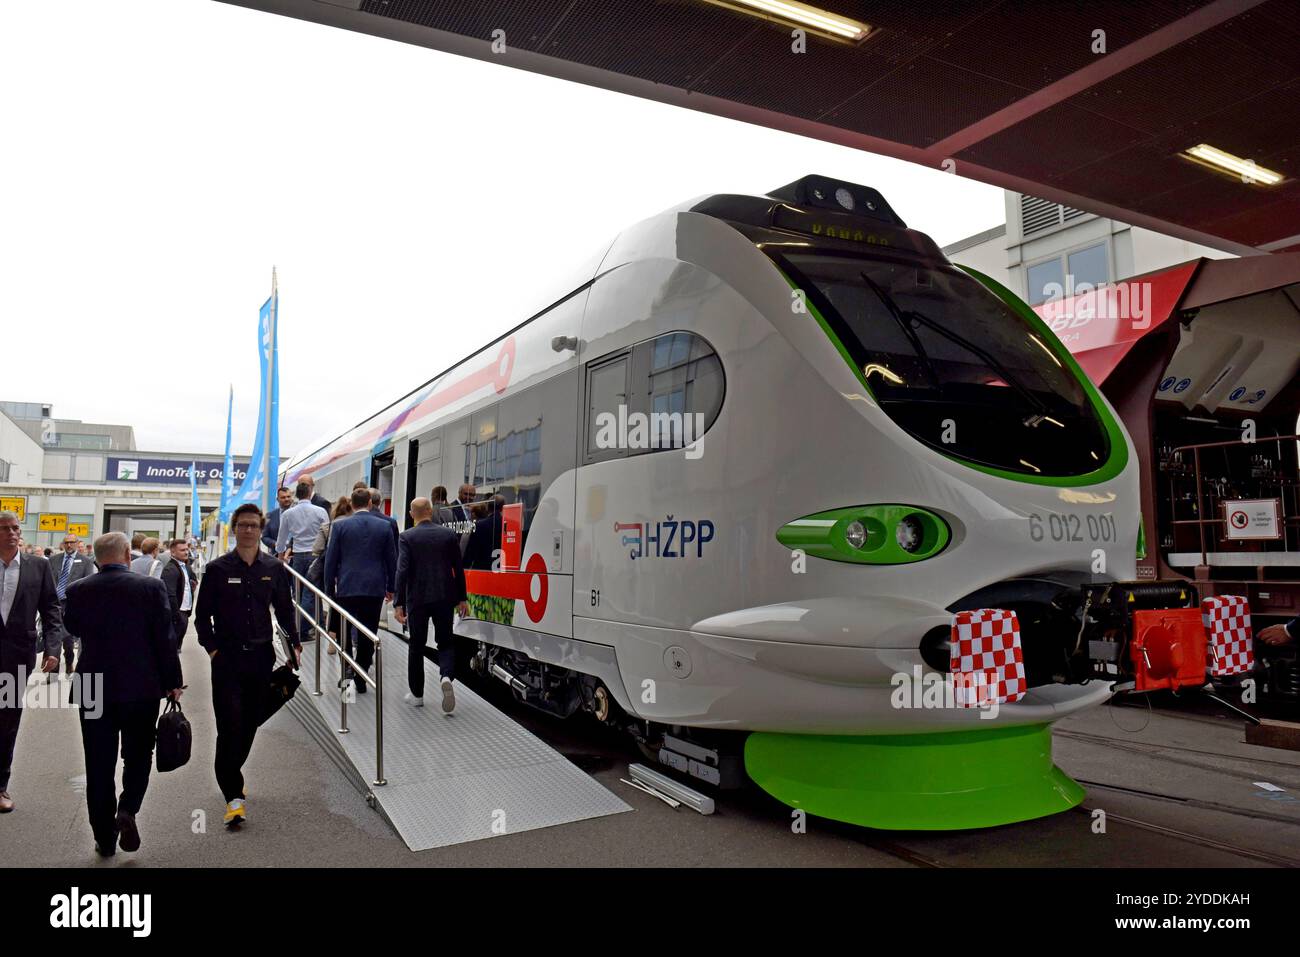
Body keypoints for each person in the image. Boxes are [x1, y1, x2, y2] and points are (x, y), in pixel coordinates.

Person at [64, 532, 182, 857]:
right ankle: (128, 809)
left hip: (92, 686)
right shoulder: (150, 587)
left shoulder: (77, 590)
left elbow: (72, 627)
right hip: (140, 685)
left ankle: (104, 837)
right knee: (138, 754)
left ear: (96, 559)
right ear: (128, 555)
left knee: (98, 763)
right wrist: (173, 680)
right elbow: (165, 638)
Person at [193, 503, 300, 828]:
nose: (249, 530)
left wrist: (294, 644)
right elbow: (201, 619)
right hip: (226, 660)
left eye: (254, 525)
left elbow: (284, 609)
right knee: (229, 726)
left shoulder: (273, 568)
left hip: (260, 658)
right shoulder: (217, 569)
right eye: (243, 525)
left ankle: (231, 773)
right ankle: (233, 796)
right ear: (235, 528)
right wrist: (213, 651)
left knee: (250, 723)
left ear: (260, 528)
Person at [0, 510, 63, 814]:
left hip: (17, 655)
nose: (12, 533)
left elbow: (51, 610)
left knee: (7, 720)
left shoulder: (38, 566)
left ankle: (0, 786)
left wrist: (52, 649)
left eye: (15, 528)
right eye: (5, 529)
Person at [394, 498, 468, 712]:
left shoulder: (407, 537)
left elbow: (402, 571)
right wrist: (462, 597)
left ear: (412, 514)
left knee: (416, 645)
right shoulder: (448, 535)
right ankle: (445, 675)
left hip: (417, 598)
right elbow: (458, 568)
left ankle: (417, 695)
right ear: (430, 511)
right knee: (445, 642)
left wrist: (399, 603)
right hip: (445, 596)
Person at [323, 487, 396, 694]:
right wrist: (391, 588)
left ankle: (347, 671)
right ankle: (361, 675)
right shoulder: (384, 526)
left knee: (344, 632)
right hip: (374, 588)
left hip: (346, 587)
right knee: (368, 633)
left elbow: (331, 560)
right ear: (370, 504)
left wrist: (329, 588)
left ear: (352, 505)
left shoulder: (340, 526)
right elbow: (392, 560)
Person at [276, 480, 328, 644]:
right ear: (309, 493)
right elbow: (327, 534)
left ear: (296, 495)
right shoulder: (320, 511)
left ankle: (307, 625)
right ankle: (303, 629)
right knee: (312, 592)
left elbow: (282, 539)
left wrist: (280, 554)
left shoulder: (288, 514)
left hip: (297, 557)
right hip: (316, 556)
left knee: (298, 593)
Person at [311, 497, 352, 656]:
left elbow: (317, 548)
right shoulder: (352, 526)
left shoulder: (328, 526)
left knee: (336, 606)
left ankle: (332, 640)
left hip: (335, 573)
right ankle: (350, 641)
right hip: (350, 573)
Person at [54, 533, 95, 675]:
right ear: (62, 544)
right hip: (55, 603)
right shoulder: (54, 560)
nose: (69, 545)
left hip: (72, 603)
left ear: (77, 543)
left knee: (67, 636)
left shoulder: (85, 561)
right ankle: (53, 669)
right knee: (54, 634)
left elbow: (88, 583)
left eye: (72, 542)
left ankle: (69, 661)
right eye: (66, 542)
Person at [160, 537, 197, 649]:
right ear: (173, 552)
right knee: (172, 648)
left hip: (184, 612)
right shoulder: (170, 569)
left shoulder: (185, 566)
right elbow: (170, 595)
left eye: (187, 549)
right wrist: (176, 616)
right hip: (177, 614)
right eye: (182, 550)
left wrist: (192, 584)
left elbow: (193, 580)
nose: (186, 552)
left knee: (177, 647)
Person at [262, 487, 293, 553]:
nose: (286, 499)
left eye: (288, 496)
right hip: (276, 555)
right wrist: (276, 544)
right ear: (277, 499)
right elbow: (264, 537)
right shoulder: (270, 516)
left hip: (296, 555)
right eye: (283, 497)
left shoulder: (299, 513)